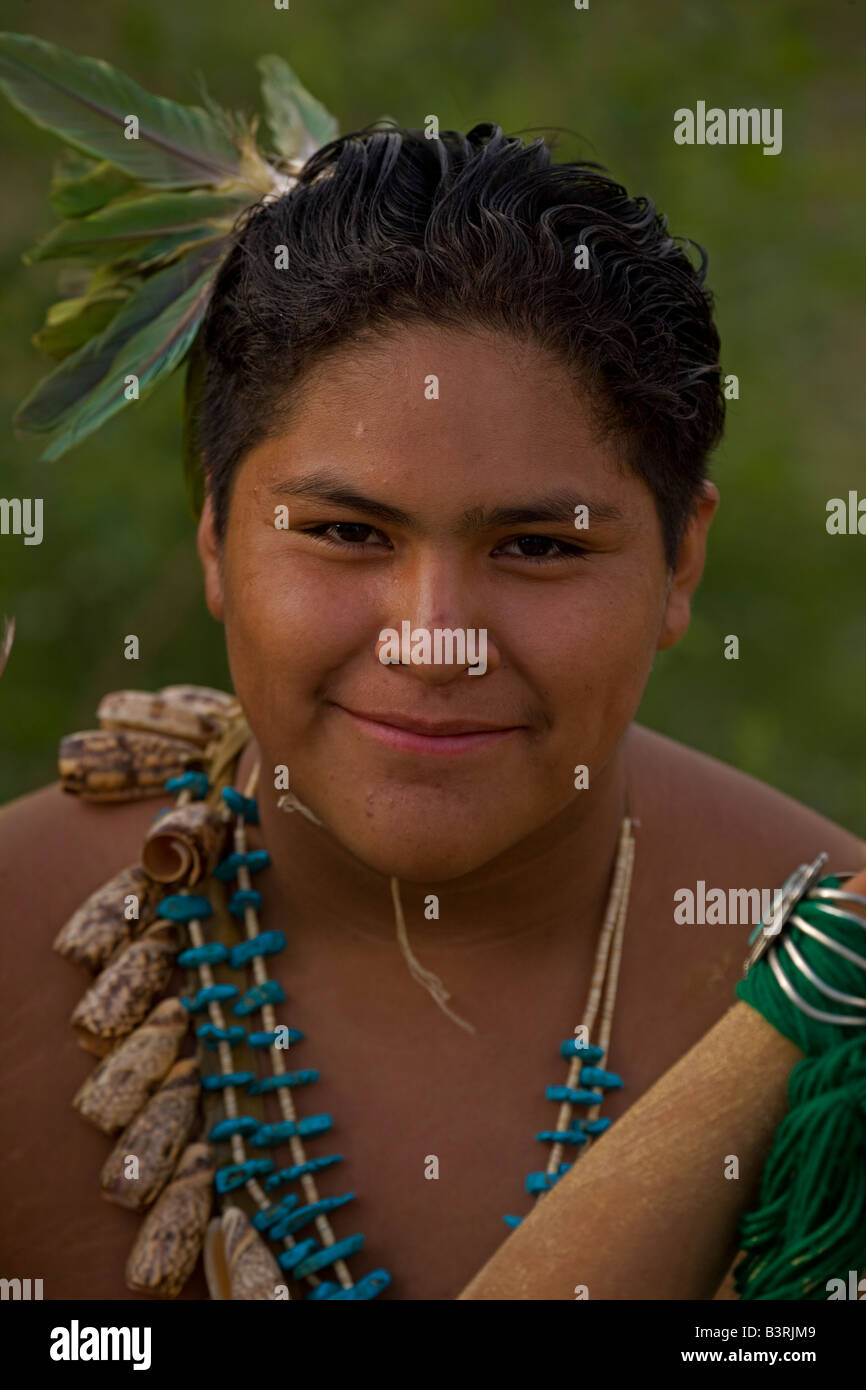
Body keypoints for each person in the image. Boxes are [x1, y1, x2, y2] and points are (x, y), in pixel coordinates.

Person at [1, 105, 863, 1301]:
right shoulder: (12, 935)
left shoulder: (832, 1010)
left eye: (537, 548)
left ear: (677, 563)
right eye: (347, 533)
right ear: (213, 531)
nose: (432, 639)